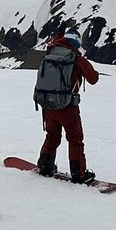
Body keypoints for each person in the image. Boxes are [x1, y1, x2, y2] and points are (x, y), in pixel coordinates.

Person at [35, 29, 99, 183]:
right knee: (75, 139)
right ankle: (79, 174)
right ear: (76, 43)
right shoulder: (76, 58)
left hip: (48, 105)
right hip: (68, 107)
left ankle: (45, 166)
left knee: (52, 135)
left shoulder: (50, 54)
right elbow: (93, 78)